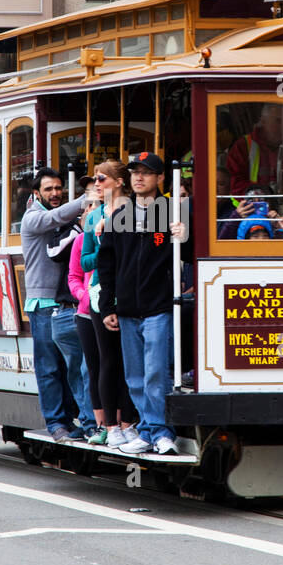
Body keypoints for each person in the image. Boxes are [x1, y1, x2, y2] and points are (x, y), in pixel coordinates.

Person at [96, 152, 188, 455]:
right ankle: (149, 430)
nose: (139, 177)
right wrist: (107, 307)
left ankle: (160, 431)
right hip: (126, 310)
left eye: (147, 172)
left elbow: (193, 253)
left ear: (160, 178)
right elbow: (106, 264)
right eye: (135, 172)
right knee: (134, 377)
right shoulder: (120, 216)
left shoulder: (170, 211)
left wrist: (185, 236)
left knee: (156, 372)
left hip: (158, 307)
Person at [21, 166, 96, 442]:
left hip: (67, 303)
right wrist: (86, 199)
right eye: (48, 189)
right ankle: (56, 424)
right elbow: (53, 217)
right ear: (36, 193)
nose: (54, 193)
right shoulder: (32, 217)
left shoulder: (65, 218)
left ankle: (75, 420)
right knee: (49, 367)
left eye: (58, 188)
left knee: (72, 367)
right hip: (42, 304)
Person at [81, 161, 140, 446]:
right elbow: (84, 261)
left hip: (131, 291)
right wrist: (103, 240)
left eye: (101, 178)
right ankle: (111, 426)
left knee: (132, 360)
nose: (97, 183)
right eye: (95, 179)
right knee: (108, 361)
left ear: (118, 181)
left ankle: (130, 422)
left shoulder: (137, 211)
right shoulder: (93, 218)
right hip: (101, 293)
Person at [69, 187, 107, 442]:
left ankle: (117, 424)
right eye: (89, 207)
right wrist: (84, 296)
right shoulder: (81, 241)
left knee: (112, 366)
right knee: (92, 369)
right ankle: (97, 424)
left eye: (97, 206)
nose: (92, 211)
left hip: (112, 309)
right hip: (86, 312)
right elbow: (73, 277)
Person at [224, 104, 283, 198]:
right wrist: (258, 197)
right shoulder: (243, 146)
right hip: (250, 209)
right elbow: (233, 181)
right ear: (263, 121)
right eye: (278, 121)